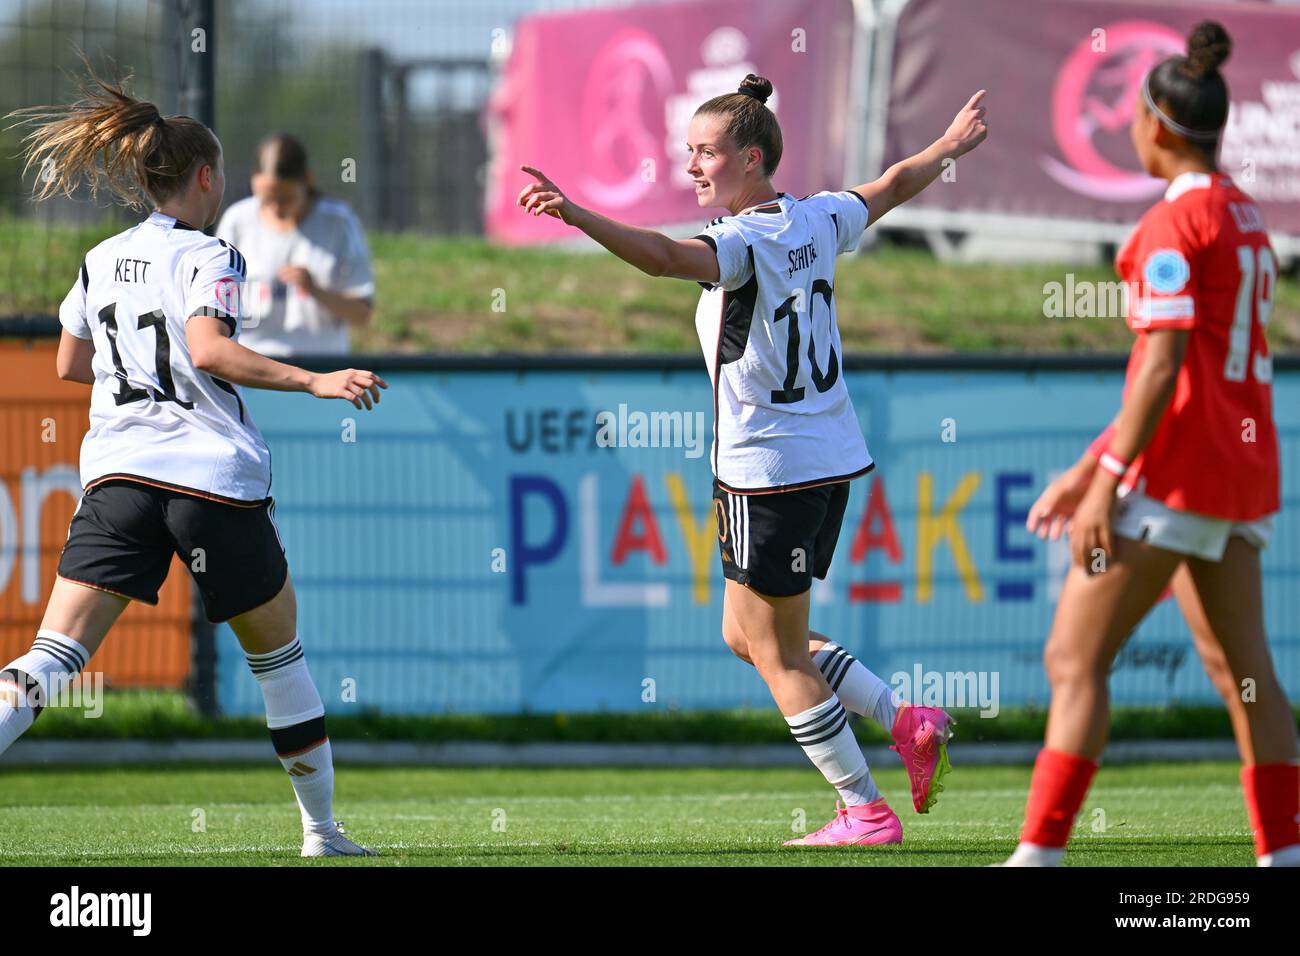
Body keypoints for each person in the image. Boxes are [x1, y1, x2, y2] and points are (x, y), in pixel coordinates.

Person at [518, 74, 988, 846]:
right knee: (749, 637)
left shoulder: (741, 242)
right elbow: (892, 185)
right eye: (690, 151)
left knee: (775, 652)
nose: (694, 166)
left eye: (708, 152)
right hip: (826, 459)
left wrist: (572, 212)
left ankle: (864, 811)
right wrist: (946, 145)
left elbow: (666, 259)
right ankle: (908, 721)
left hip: (769, 471)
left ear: (754, 157)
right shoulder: (819, 217)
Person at [1, 62, 387, 857]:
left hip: (118, 478)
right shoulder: (212, 256)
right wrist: (316, 379)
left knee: (51, 658)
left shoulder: (100, 257)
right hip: (209, 477)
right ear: (207, 177)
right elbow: (212, 350)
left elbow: (72, 366)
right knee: (278, 658)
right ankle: (321, 833)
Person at [1005, 21, 1298, 867]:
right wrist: (1089, 465)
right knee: (1243, 672)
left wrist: (1108, 483)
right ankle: (1284, 858)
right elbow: (1176, 368)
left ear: (1157, 127)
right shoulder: (1244, 215)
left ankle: (1039, 856)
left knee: (1073, 658)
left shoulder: (1172, 228)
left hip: (1175, 472)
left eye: (1134, 118)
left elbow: (1164, 364)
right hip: (1237, 472)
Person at [216, 133, 374, 357]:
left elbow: (362, 314)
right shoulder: (237, 220)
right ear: (253, 181)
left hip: (322, 369)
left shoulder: (339, 222)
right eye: (267, 198)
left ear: (307, 180)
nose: (276, 208)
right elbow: (216, 307)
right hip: (254, 368)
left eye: (286, 198)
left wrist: (315, 290)